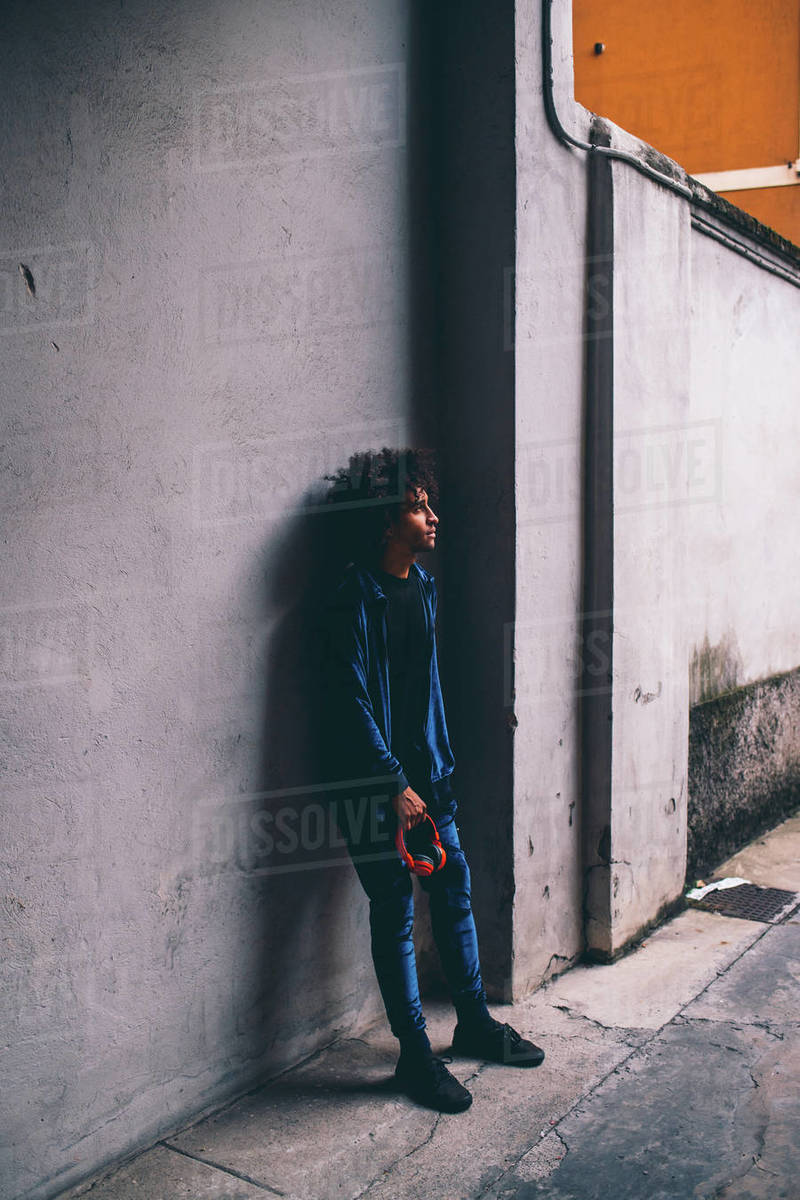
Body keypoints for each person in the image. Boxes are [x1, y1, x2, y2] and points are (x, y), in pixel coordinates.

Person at [320, 448, 544, 1113]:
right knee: (392, 910)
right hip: (372, 789)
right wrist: (393, 782)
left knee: (453, 887)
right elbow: (348, 702)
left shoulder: (424, 586)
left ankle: (473, 1023)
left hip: (430, 779)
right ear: (384, 520)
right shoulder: (348, 599)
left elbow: (424, 691)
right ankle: (415, 1057)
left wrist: (433, 768)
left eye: (428, 502)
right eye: (418, 505)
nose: (432, 516)